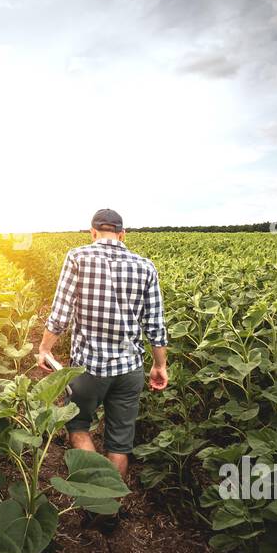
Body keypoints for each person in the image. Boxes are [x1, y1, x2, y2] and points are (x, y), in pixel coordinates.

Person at [37, 209, 168, 531]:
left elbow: (62, 312)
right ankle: (110, 510)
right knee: (120, 442)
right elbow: (156, 324)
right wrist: (160, 365)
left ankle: (93, 503)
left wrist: (45, 348)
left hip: (89, 368)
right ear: (123, 235)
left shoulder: (78, 257)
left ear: (93, 232)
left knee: (79, 426)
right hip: (130, 369)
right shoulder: (145, 266)